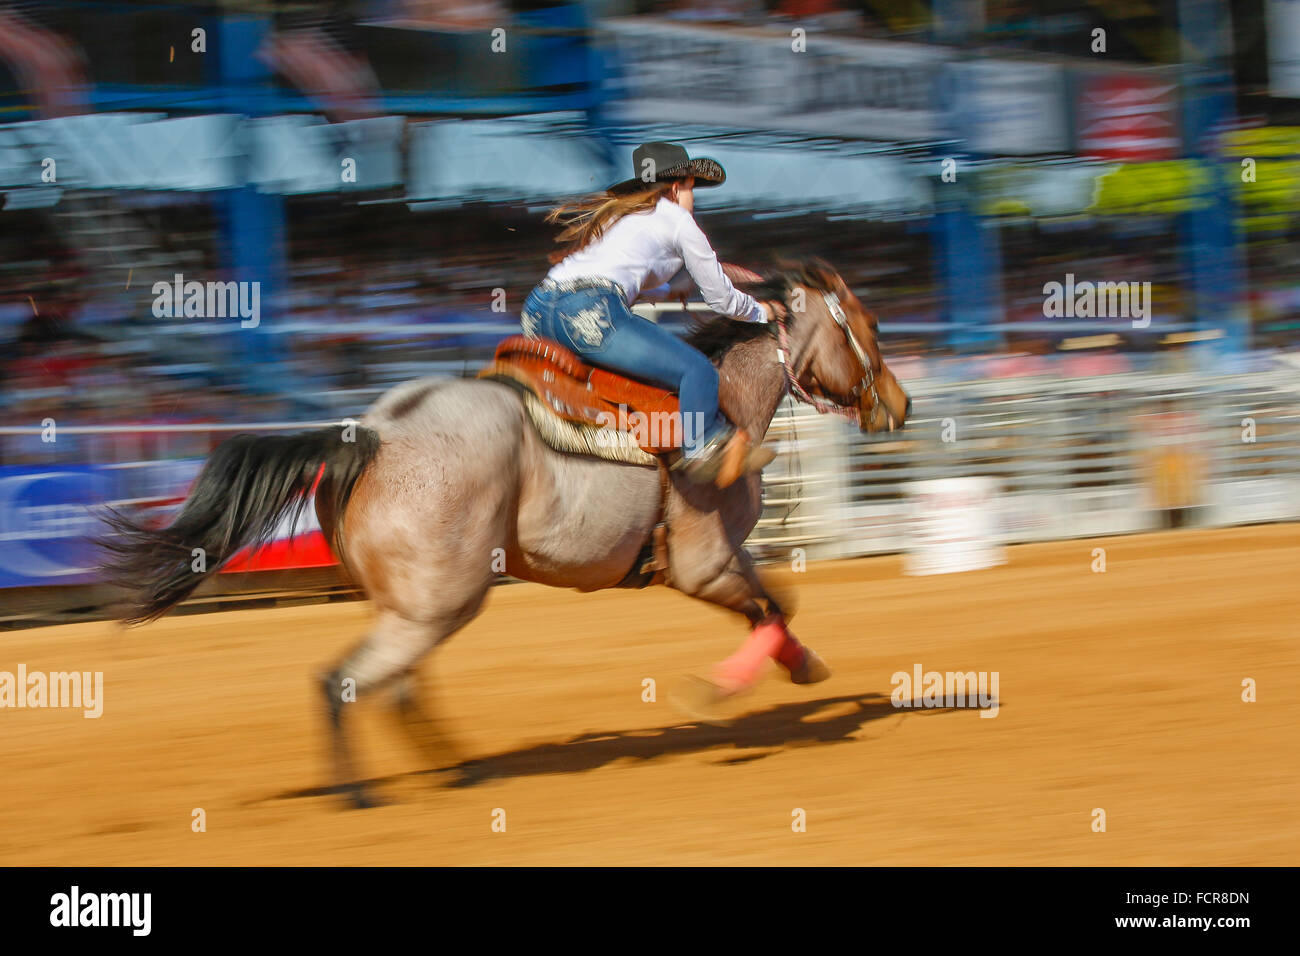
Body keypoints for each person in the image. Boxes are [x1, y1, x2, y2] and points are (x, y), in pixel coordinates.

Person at [521, 142, 782, 488]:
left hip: (538, 310)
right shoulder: (679, 222)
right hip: (590, 313)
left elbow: (613, 273)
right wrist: (762, 311)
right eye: (691, 188)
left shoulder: (622, 216)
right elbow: (722, 300)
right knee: (696, 371)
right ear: (677, 187)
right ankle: (702, 448)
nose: (693, 198)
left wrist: (667, 292)